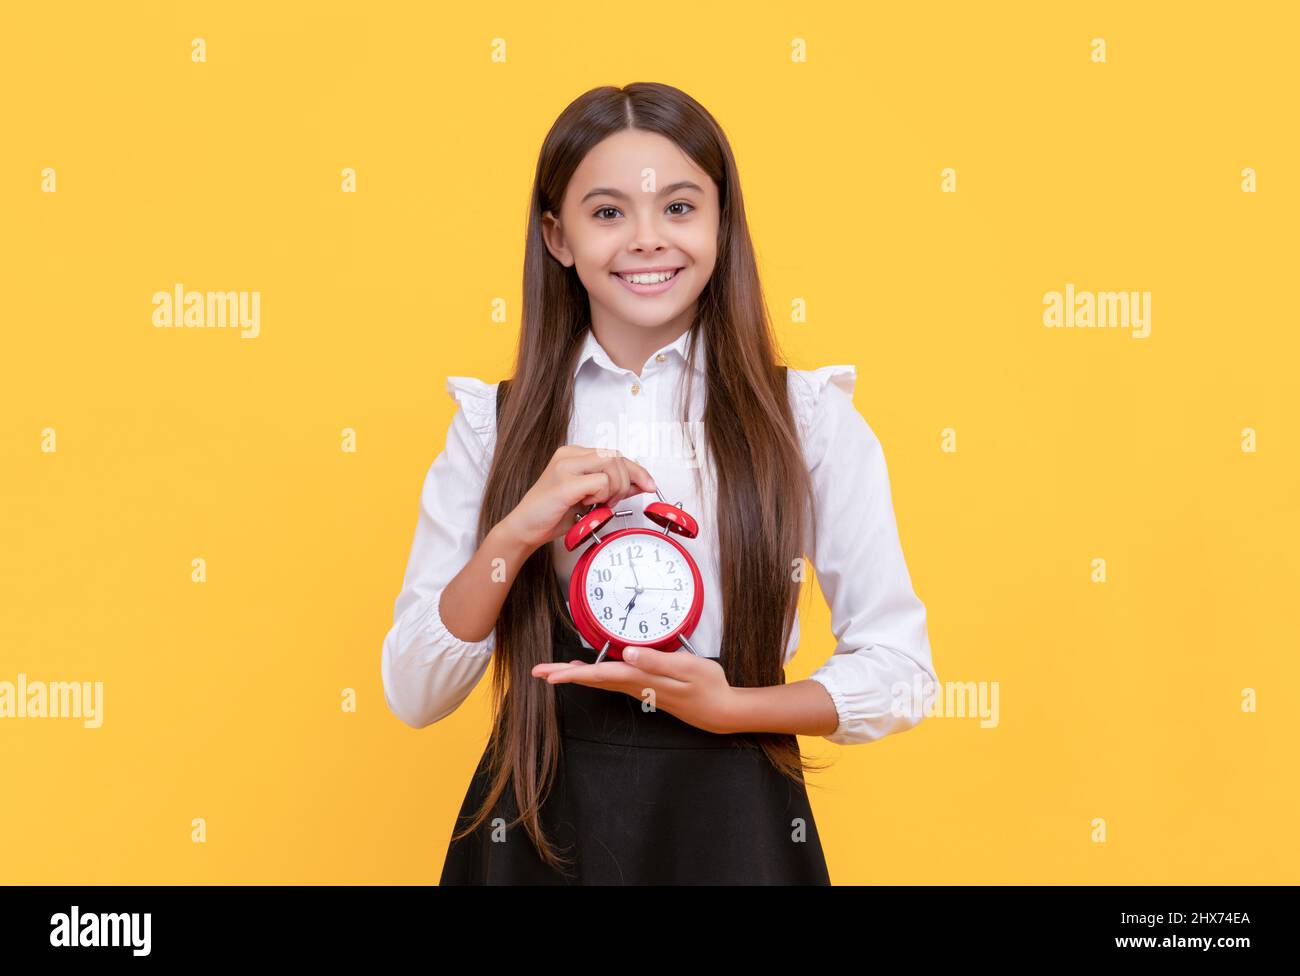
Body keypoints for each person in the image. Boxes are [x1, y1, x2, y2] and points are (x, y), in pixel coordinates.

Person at [380, 82, 937, 885]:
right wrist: (516, 530)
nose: (647, 240)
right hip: (539, 826)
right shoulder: (490, 428)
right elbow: (414, 691)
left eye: (679, 208)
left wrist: (732, 709)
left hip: (733, 826)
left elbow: (900, 671)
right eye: (608, 213)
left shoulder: (806, 419)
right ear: (557, 237)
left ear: (721, 224)